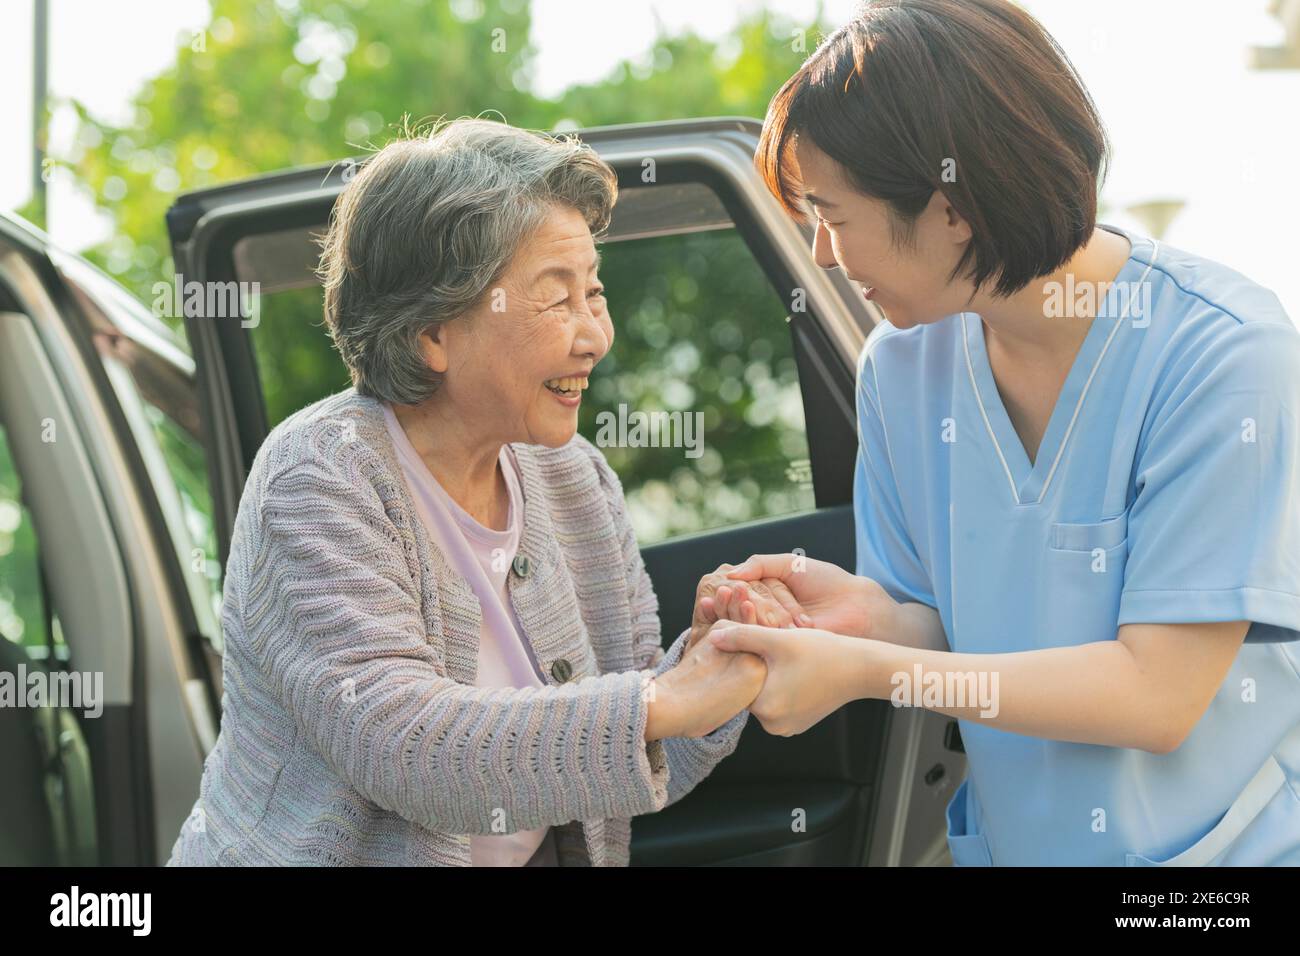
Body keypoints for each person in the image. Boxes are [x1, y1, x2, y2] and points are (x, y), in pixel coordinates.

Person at [708, 0, 1300, 866]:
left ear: (952, 207)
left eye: (835, 216)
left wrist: (870, 675)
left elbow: (1156, 697)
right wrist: (853, 624)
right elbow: (947, 628)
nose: (826, 255)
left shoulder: (1225, 360)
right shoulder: (902, 370)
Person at [167, 118, 795, 866]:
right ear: (432, 330)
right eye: (556, 299)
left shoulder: (576, 479)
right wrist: (664, 700)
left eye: (594, 293)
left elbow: (635, 768)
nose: (595, 335)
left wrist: (710, 655)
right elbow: (403, 746)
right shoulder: (319, 475)